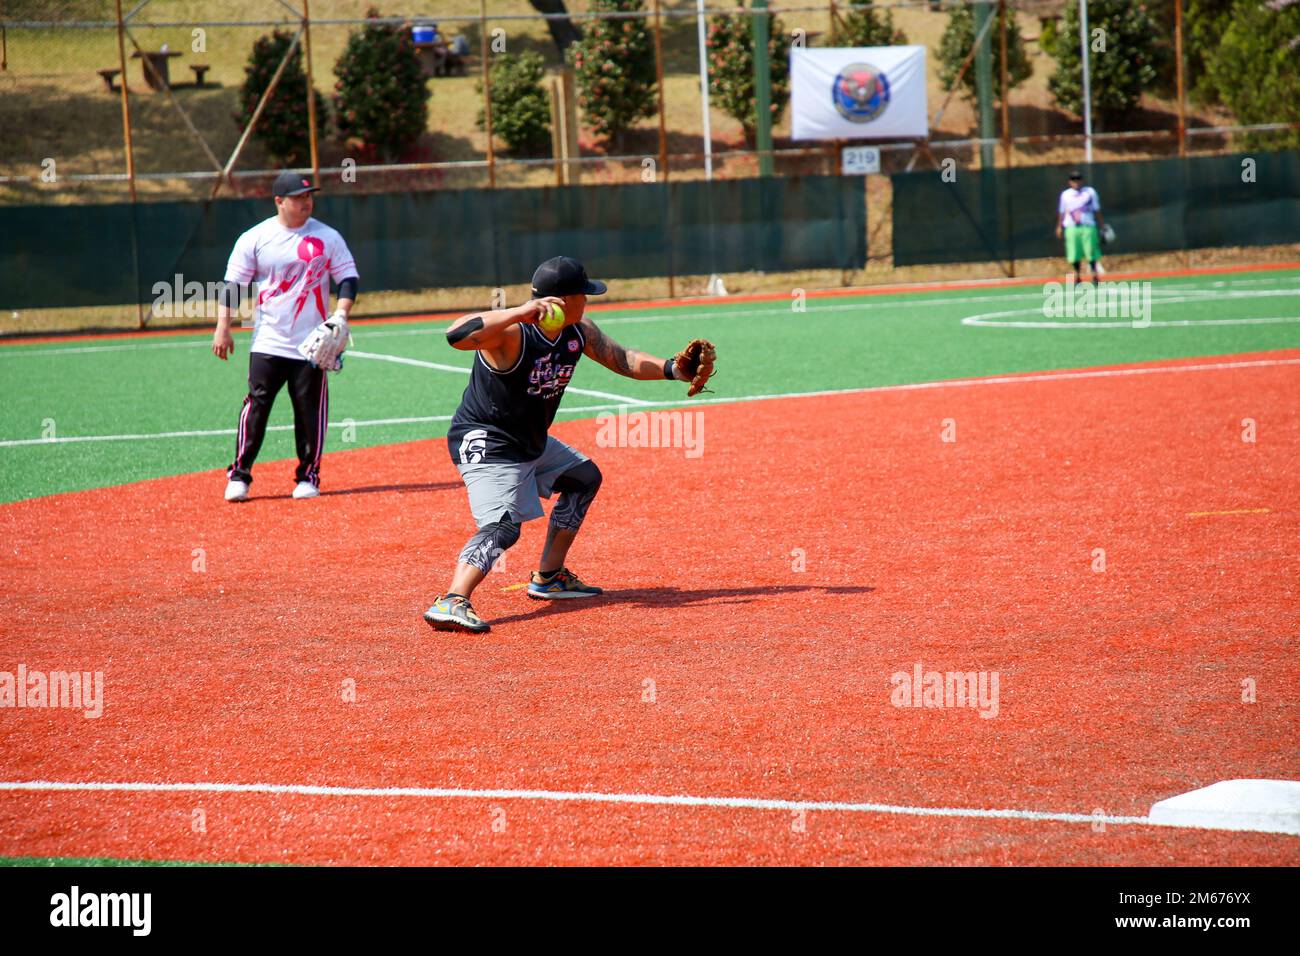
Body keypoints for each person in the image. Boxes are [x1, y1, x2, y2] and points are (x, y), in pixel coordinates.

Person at [424, 256, 715, 634]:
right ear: (560, 301)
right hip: (487, 440)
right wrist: (520, 312)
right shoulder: (512, 335)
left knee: (583, 478)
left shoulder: (578, 330)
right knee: (504, 526)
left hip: (530, 439)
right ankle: (452, 598)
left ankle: (548, 577)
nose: (588, 301)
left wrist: (672, 370)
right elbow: (456, 334)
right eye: (583, 295)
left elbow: (622, 359)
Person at [212, 171, 359, 502]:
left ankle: (308, 476)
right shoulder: (255, 237)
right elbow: (233, 284)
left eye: (308, 196)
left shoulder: (328, 237)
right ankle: (239, 474)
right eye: (298, 197)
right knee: (257, 404)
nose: (306, 202)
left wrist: (341, 314)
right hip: (268, 339)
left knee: (309, 410)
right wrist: (224, 325)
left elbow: (348, 277)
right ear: (279, 201)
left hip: (312, 342)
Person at [1055, 169, 1108, 285]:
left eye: (1078, 179)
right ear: (1070, 182)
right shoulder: (1066, 195)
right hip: (1072, 227)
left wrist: (1102, 225)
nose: (1076, 182)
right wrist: (1059, 226)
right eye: (1074, 180)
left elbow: (1096, 209)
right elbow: (1062, 211)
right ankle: (1077, 276)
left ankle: (1095, 275)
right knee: (1074, 253)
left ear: (1082, 181)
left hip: (1088, 226)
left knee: (1091, 251)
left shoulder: (1089, 192)